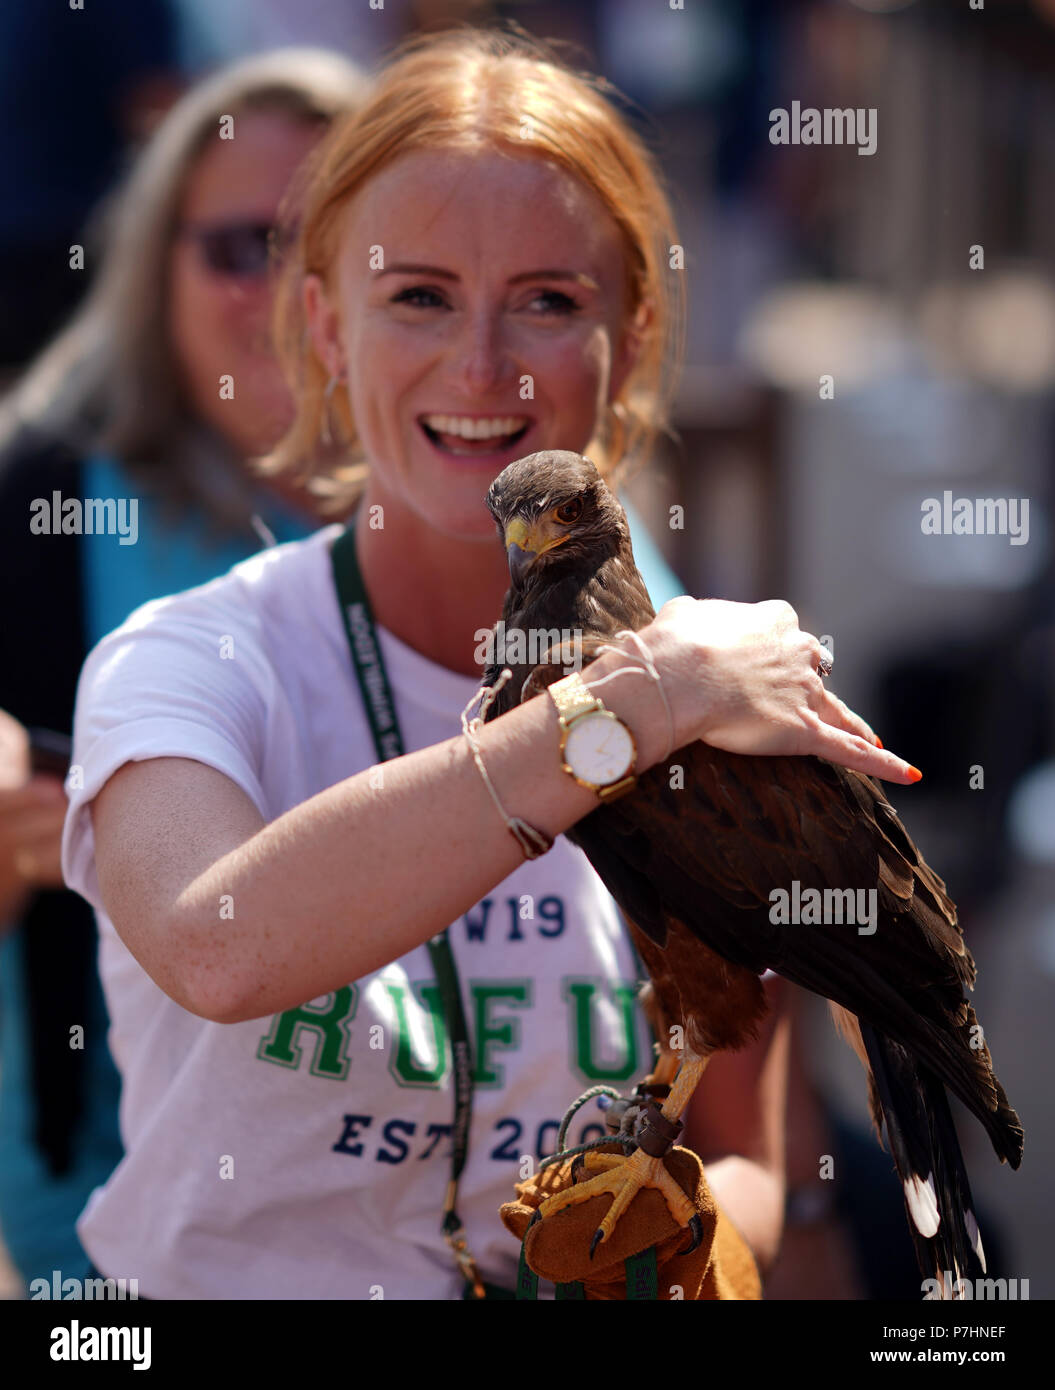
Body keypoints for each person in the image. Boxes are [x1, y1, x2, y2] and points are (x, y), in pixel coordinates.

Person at [62, 26, 912, 1301]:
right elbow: (214, 944)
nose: (478, 364)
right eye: (417, 295)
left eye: (548, 301)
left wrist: (692, 1256)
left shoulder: (713, 701)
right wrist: (636, 707)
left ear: (625, 341)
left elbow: (746, 1148)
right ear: (324, 327)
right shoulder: (188, 660)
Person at [0, 47, 368, 1293]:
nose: (282, 294)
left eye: (331, 248)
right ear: (153, 268)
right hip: (112, 1203)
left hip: (464, 1190)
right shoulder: (38, 505)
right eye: (236, 247)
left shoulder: (507, 492)